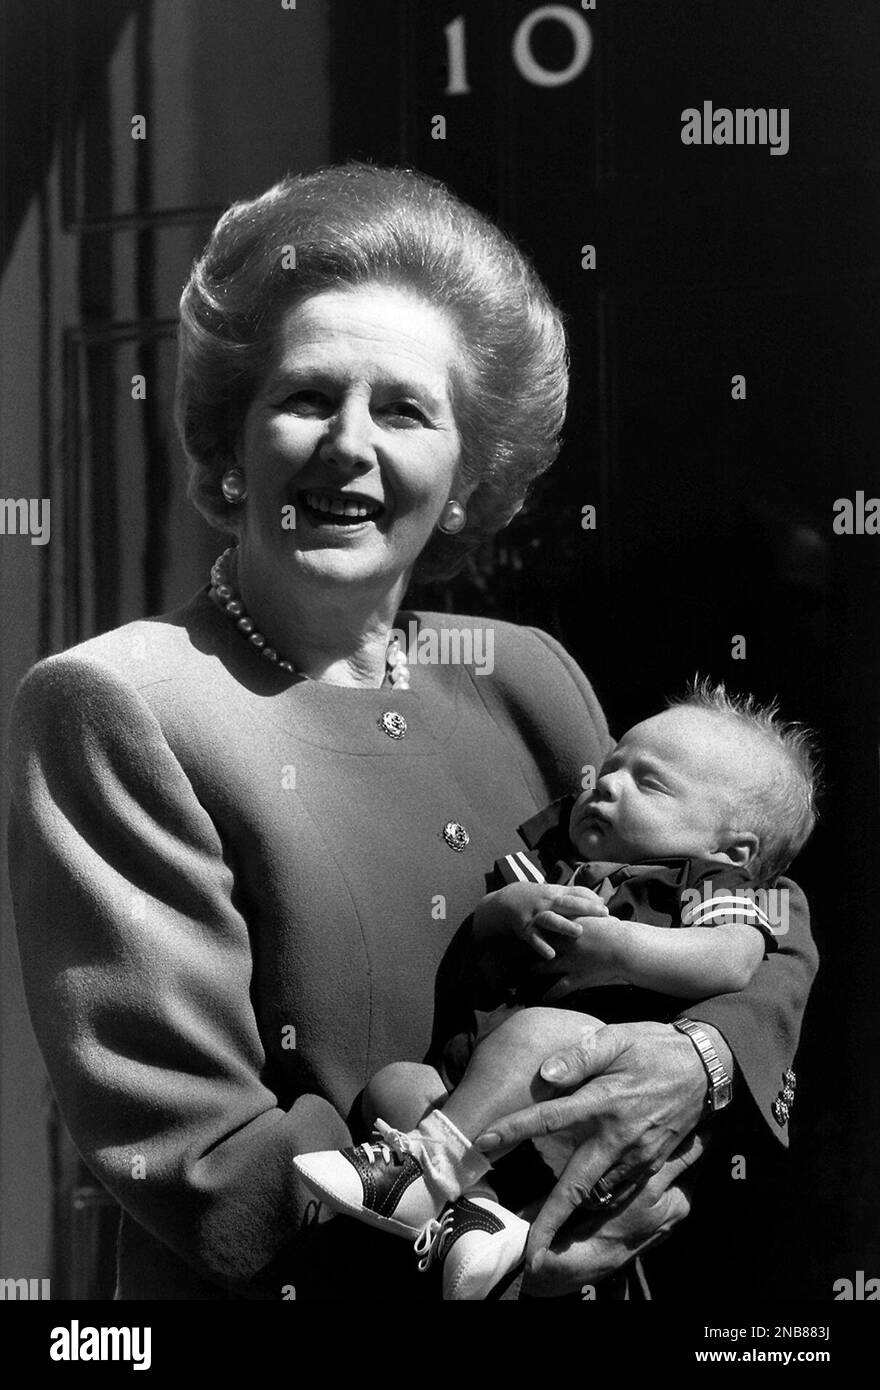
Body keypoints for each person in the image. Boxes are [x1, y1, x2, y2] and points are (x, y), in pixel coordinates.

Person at [6, 162, 819, 1301]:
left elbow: (748, 898)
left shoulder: (522, 676)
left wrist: (703, 1055)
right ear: (229, 441)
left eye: (403, 409)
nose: (350, 445)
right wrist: (485, 1269)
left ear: (466, 468)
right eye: (305, 398)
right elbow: (199, 1162)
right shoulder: (120, 701)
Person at [293, 684, 819, 1297]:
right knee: (396, 1085)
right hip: (483, 1095)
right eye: (611, 766)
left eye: (648, 784)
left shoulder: (703, 880)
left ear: (731, 848)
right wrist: (510, 908)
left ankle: (425, 1169)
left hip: (585, 1088)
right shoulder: (554, 859)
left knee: (545, 1030)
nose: (607, 785)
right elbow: (483, 921)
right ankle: (476, 1223)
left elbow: (733, 961)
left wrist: (619, 947)